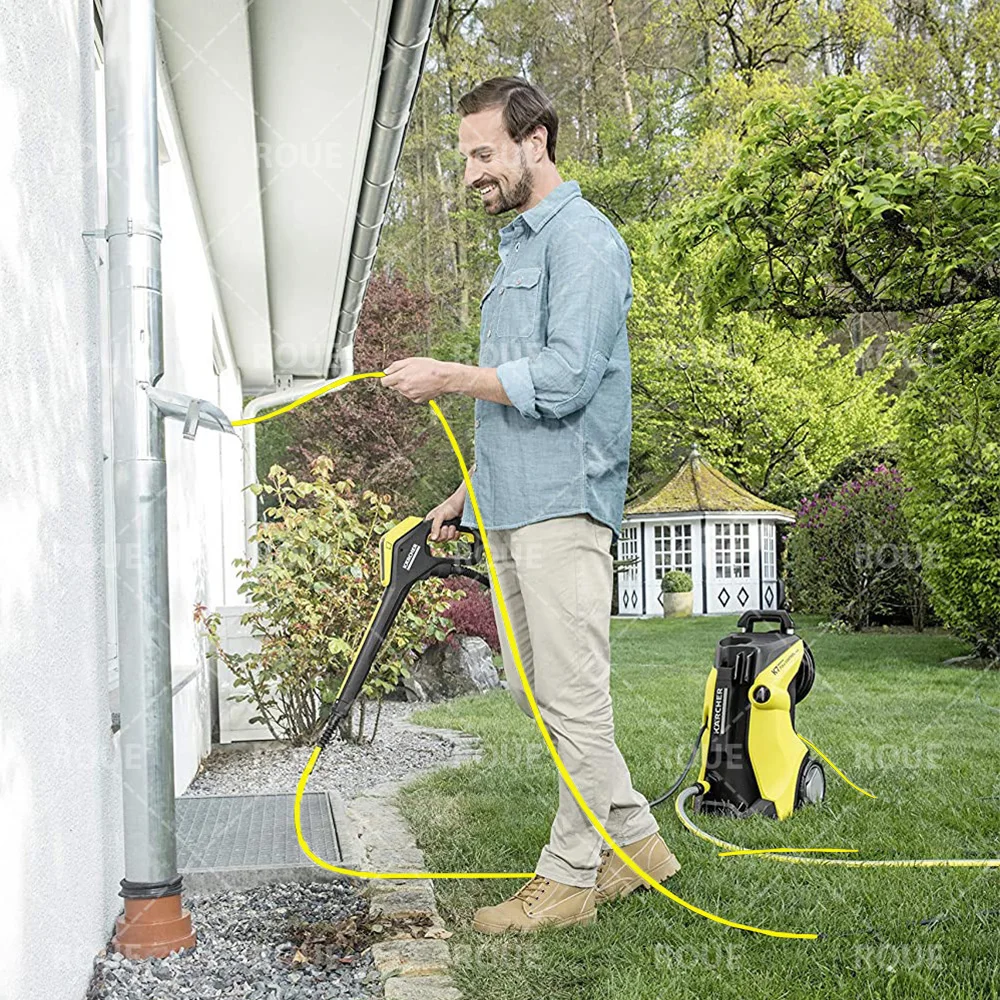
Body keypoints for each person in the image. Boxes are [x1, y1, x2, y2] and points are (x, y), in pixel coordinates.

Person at [381, 76, 679, 934]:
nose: (471, 173)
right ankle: (638, 843)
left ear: (535, 143)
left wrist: (448, 376)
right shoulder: (518, 250)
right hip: (510, 504)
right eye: (465, 158)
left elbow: (567, 376)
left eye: (484, 154)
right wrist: (463, 493)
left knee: (574, 698)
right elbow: (512, 408)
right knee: (533, 686)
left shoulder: (583, 241)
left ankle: (569, 879)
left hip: (563, 505)